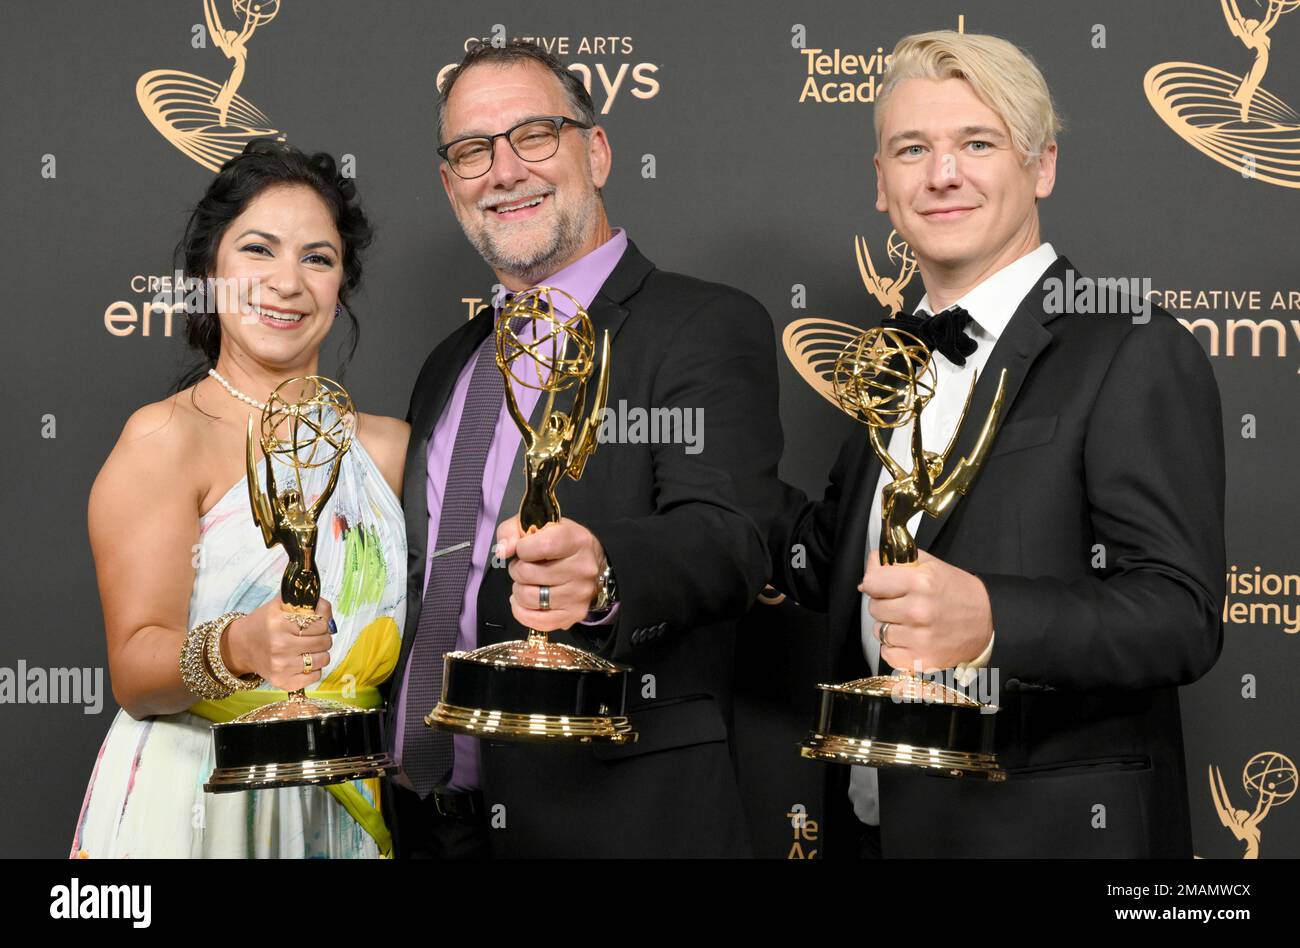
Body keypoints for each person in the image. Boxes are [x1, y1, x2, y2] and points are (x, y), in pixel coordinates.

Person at [766, 31, 1225, 858]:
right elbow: (829, 554)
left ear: (1041, 166)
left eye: (977, 143)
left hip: (1046, 835)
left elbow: (1180, 615)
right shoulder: (892, 353)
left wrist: (992, 620)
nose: (942, 174)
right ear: (882, 184)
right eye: (913, 149)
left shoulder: (1128, 344)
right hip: (871, 831)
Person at [384, 39, 780, 858]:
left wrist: (603, 571)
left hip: (616, 820)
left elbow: (730, 536)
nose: (504, 170)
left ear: (594, 152)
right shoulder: (448, 364)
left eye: (534, 135)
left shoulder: (701, 325)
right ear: (450, 183)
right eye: (472, 151)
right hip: (426, 824)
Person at [70, 140, 410, 858]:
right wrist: (238, 646)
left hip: (342, 804)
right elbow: (135, 671)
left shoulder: (391, 451)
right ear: (209, 272)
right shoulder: (166, 438)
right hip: (197, 804)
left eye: (317, 258)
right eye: (259, 250)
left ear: (341, 283)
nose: (287, 282)